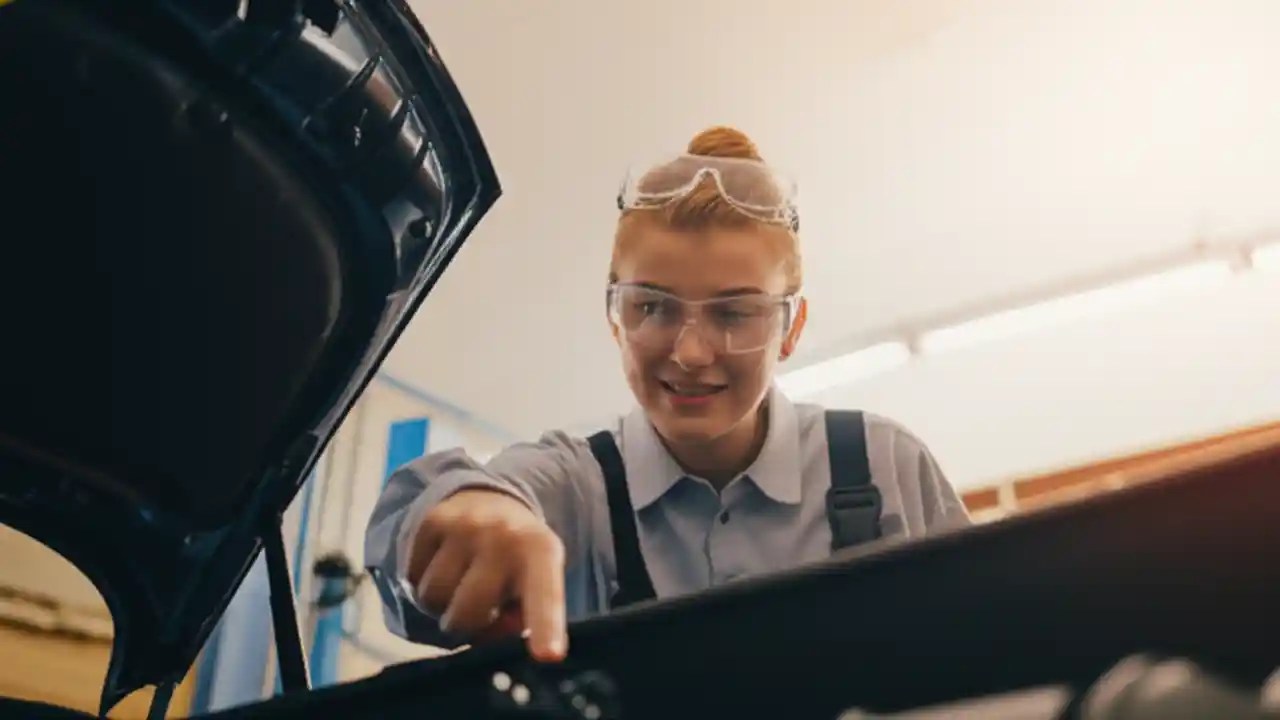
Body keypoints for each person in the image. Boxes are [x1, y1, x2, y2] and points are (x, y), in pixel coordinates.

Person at [363, 125, 971, 665]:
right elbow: (422, 529)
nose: (690, 352)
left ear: (791, 328)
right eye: (652, 306)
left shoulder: (886, 466)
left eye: (735, 313)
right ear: (614, 318)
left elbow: (985, 657)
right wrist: (464, 512)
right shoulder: (577, 487)